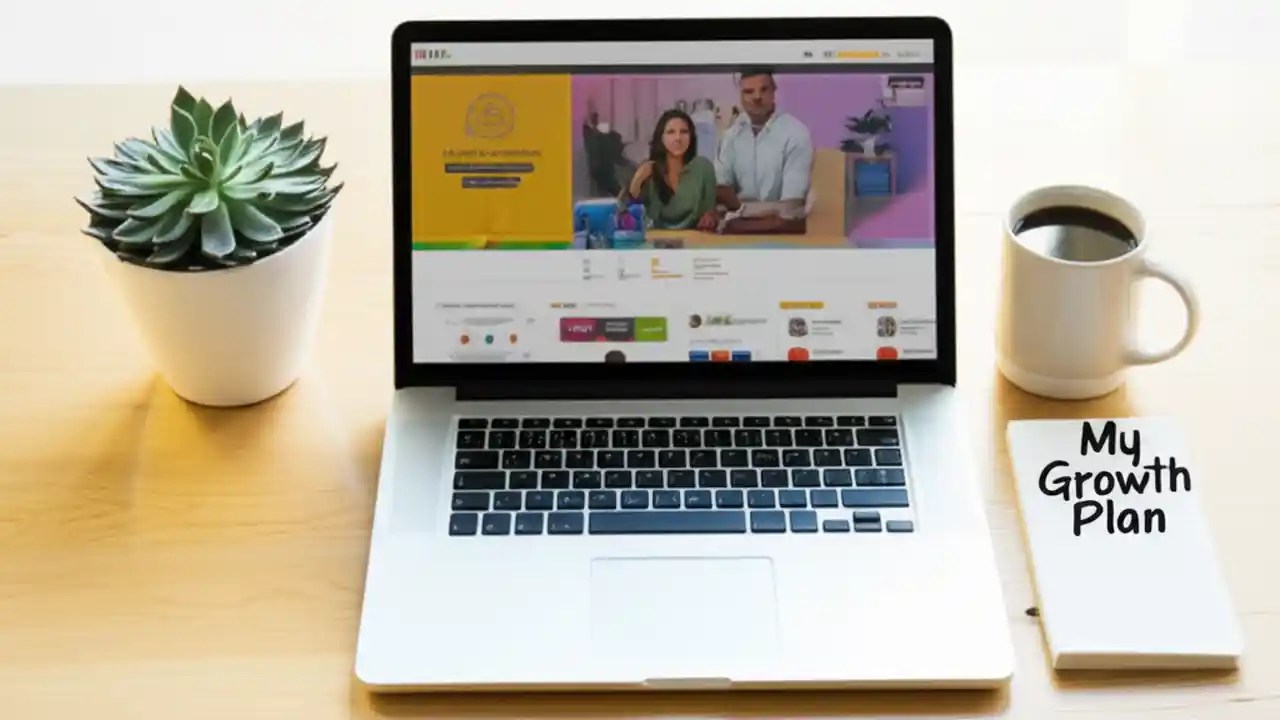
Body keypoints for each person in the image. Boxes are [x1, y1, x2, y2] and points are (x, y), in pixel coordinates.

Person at [715, 68, 814, 233]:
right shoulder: (731, 134)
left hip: (782, 233)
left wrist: (739, 210)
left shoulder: (796, 133)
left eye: (764, 90)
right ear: (741, 96)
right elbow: (721, 192)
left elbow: (791, 210)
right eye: (749, 91)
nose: (757, 97)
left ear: (774, 91)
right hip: (736, 230)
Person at [620, 109, 718, 231]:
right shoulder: (649, 170)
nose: (678, 138)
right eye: (671, 132)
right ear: (661, 137)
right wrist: (637, 180)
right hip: (655, 239)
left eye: (684, 132)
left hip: (694, 239)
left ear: (691, 136)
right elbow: (625, 218)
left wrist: (710, 218)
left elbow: (710, 212)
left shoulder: (703, 167)